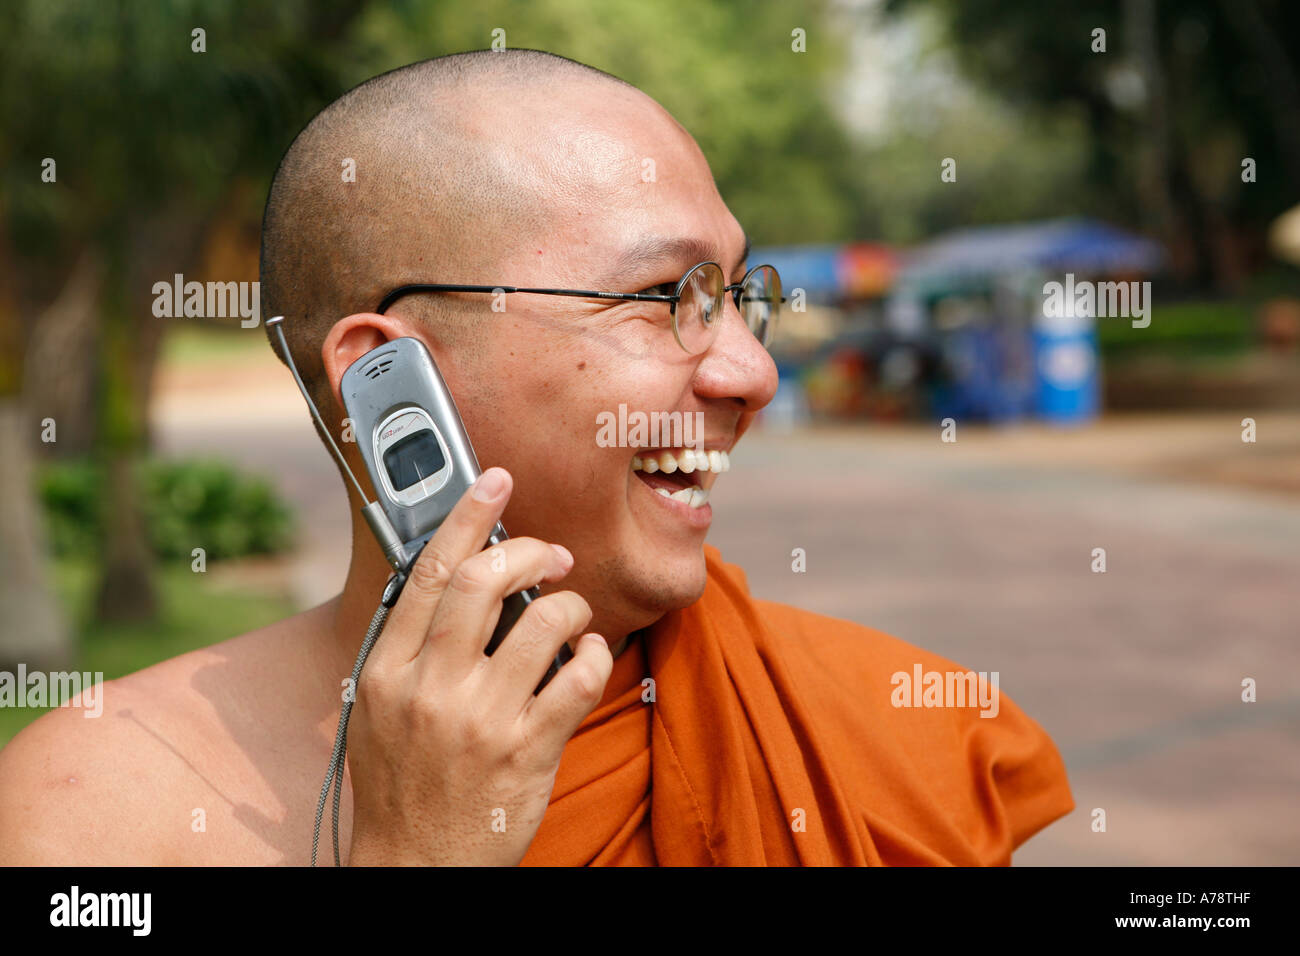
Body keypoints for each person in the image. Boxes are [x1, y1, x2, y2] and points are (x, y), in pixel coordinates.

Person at [0, 50, 1072, 865]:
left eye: (737, 293)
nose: (751, 371)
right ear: (391, 380)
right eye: (664, 299)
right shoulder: (100, 812)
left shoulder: (870, 733)